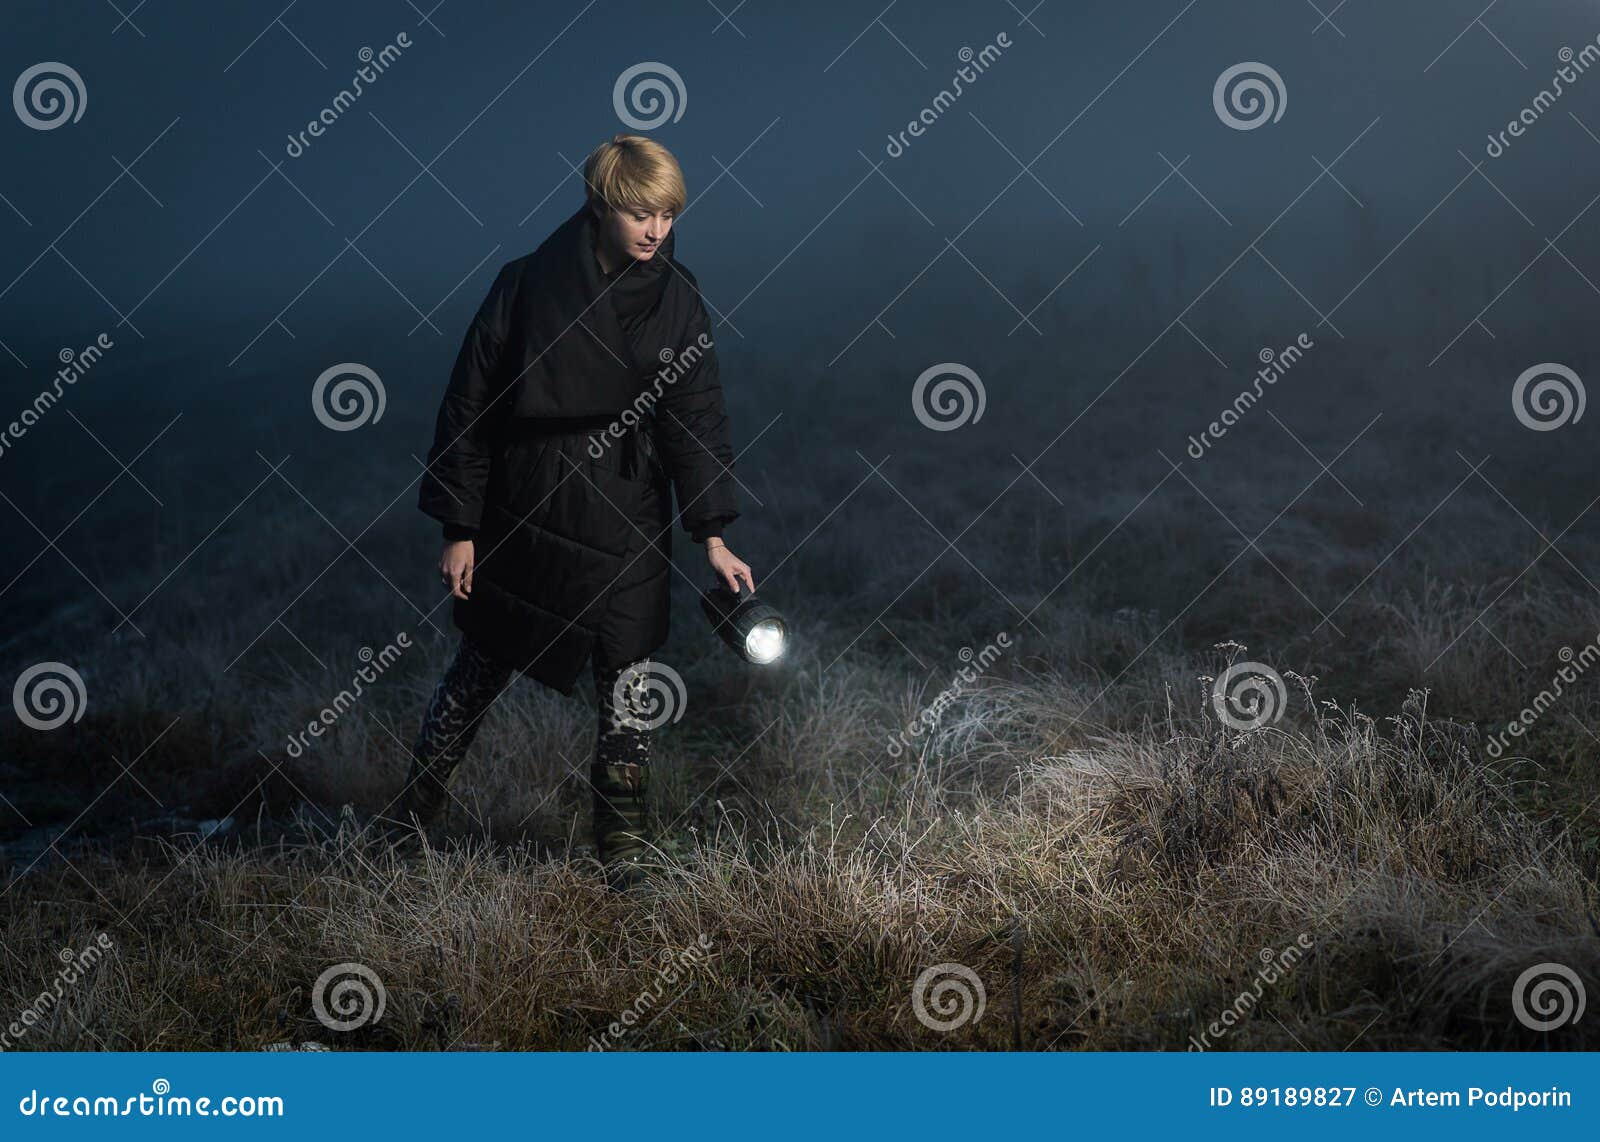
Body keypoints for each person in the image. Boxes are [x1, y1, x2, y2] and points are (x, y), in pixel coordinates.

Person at [393, 134, 754, 891]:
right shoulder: (525, 284)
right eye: (640, 213)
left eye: (668, 214)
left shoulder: (679, 296)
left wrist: (712, 534)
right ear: (599, 206)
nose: (656, 230)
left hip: (631, 508)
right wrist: (460, 527)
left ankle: (623, 850)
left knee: (630, 677)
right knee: (481, 665)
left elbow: (695, 416)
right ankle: (407, 823)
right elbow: (470, 406)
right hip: (531, 500)